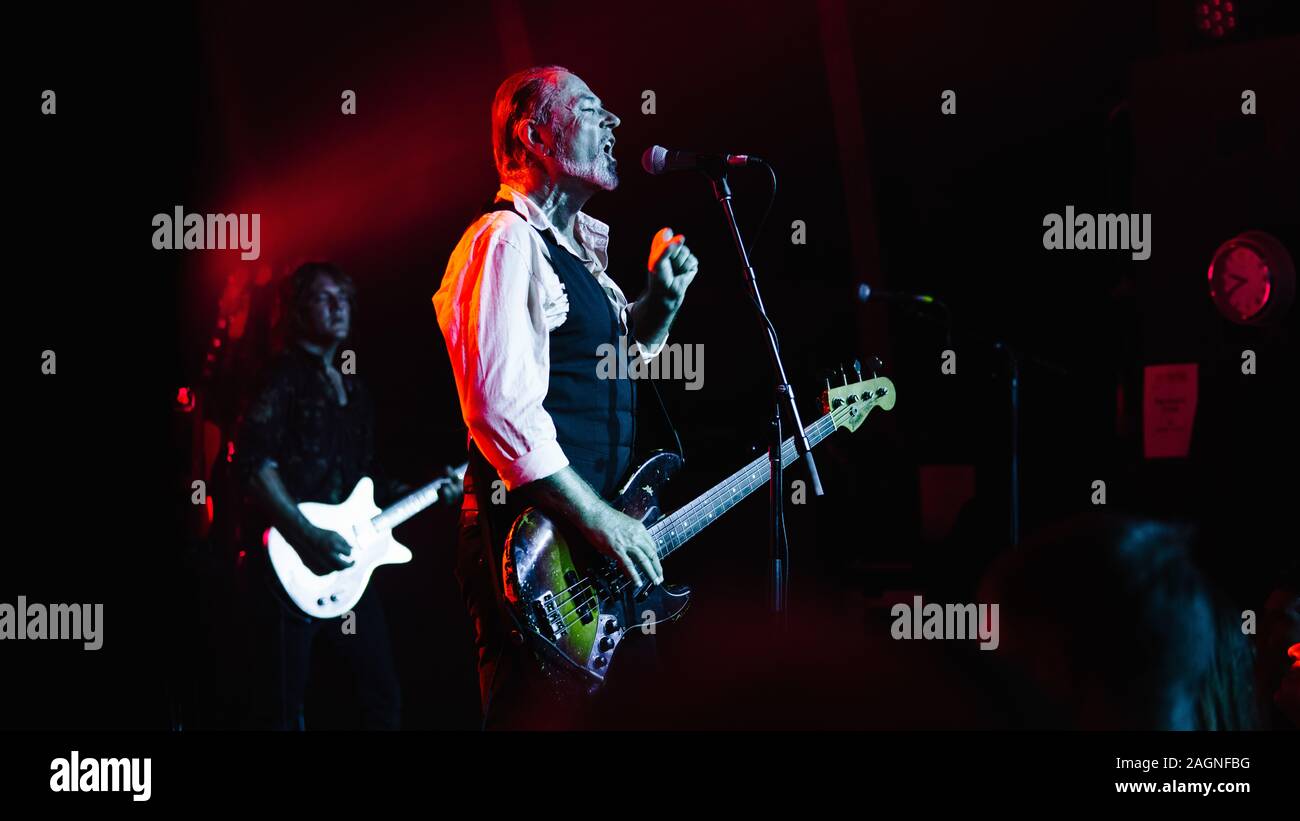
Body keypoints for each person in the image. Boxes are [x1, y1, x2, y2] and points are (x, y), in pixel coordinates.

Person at [433, 66, 700, 728]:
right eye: (590, 110)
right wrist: (600, 518)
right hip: (530, 545)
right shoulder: (502, 240)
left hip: (585, 551)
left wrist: (659, 307)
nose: (613, 124)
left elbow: (590, 371)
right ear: (533, 135)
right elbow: (500, 406)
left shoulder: (573, 257)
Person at [237, 261, 462, 729]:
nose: (339, 307)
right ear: (296, 309)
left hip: (349, 566)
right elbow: (252, 464)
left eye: (344, 297)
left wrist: (431, 489)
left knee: (380, 697)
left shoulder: (355, 389)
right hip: (287, 564)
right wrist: (305, 536)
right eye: (324, 298)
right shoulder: (280, 379)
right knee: (280, 708)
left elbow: (368, 481)